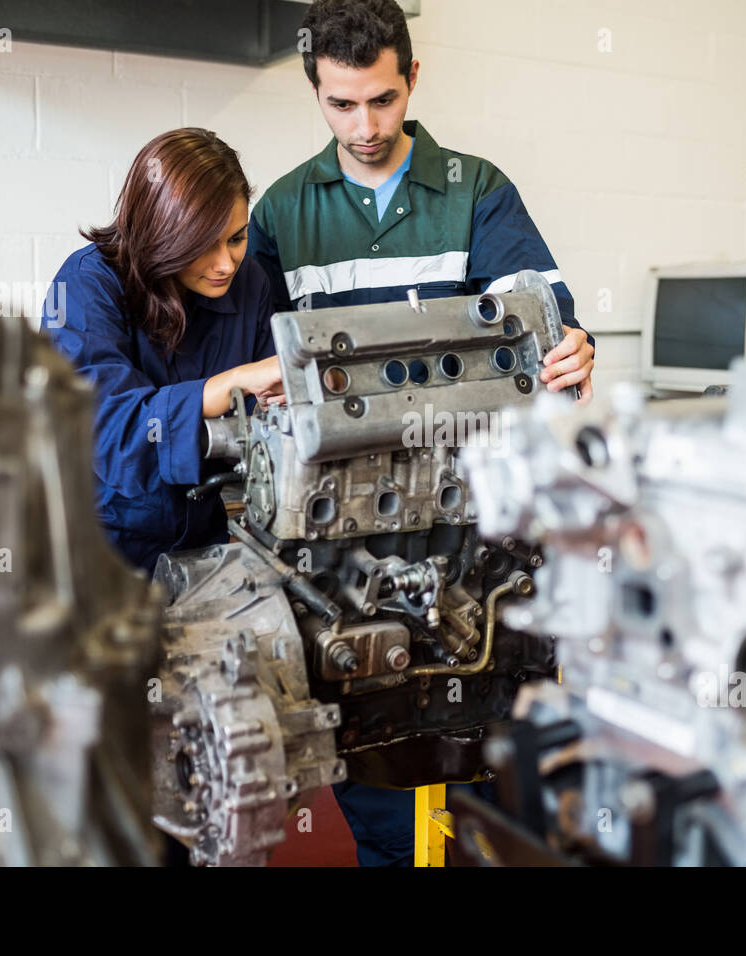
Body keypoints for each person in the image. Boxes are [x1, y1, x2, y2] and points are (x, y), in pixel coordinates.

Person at [247, 0, 596, 865]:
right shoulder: (284, 214)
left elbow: (549, 327)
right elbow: (254, 373)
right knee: (380, 798)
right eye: (341, 104)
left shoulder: (476, 190)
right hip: (346, 550)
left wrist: (573, 352)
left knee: (492, 792)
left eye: (382, 100)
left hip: (475, 535)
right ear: (315, 91)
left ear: (411, 80)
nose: (365, 126)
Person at [43, 128, 284, 575]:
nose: (225, 263)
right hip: (99, 552)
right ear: (160, 232)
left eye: (236, 238)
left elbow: (269, 414)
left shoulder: (249, 282)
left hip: (203, 546)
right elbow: (110, 433)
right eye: (202, 245)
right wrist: (228, 385)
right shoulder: (83, 286)